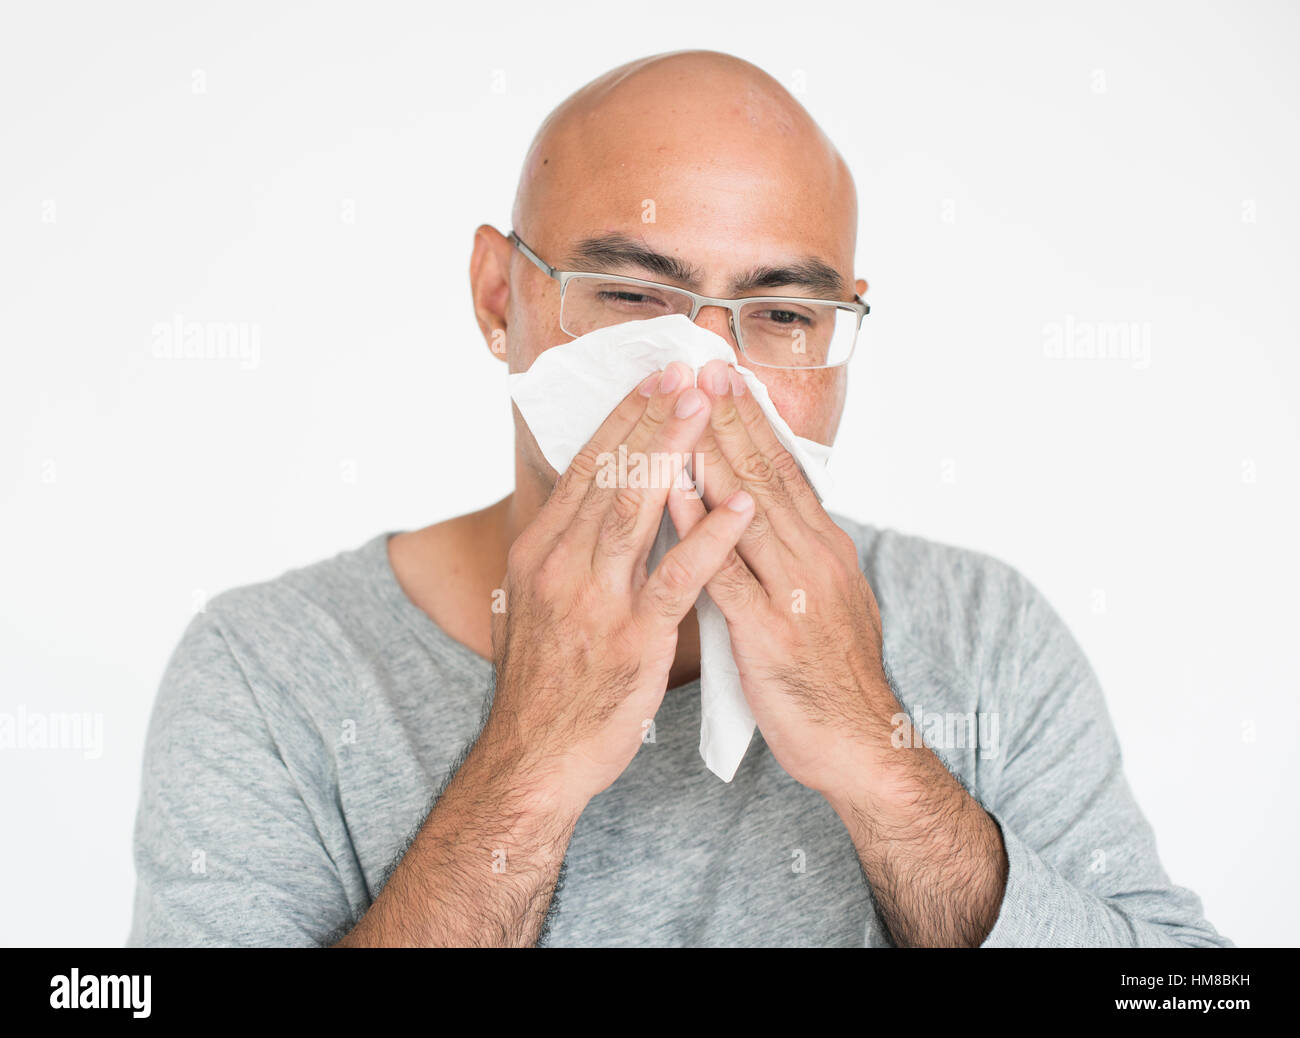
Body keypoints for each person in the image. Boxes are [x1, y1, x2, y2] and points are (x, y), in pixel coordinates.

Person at [127, 49, 1229, 948]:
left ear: (840, 336)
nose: (707, 380)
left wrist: (883, 765)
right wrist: (528, 768)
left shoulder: (984, 633)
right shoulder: (272, 670)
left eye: (782, 315)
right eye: (633, 297)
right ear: (499, 298)